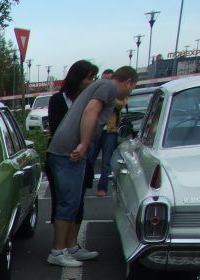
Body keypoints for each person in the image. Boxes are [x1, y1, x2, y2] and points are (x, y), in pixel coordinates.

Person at [45, 65, 138, 268]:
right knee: (68, 202)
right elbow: (91, 111)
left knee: (74, 202)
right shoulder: (108, 88)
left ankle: (70, 247)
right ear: (128, 82)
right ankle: (57, 251)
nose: (129, 93)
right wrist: (84, 144)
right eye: (132, 88)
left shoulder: (101, 86)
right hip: (68, 152)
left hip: (69, 151)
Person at [46, 61, 98, 226]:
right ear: (78, 78)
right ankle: (59, 246)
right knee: (62, 200)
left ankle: (73, 244)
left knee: (77, 200)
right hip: (61, 157)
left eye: (93, 78)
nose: (91, 82)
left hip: (82, 157)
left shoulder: (90, 102)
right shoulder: (58, 100)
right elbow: (56, 129)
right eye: (89, 78)